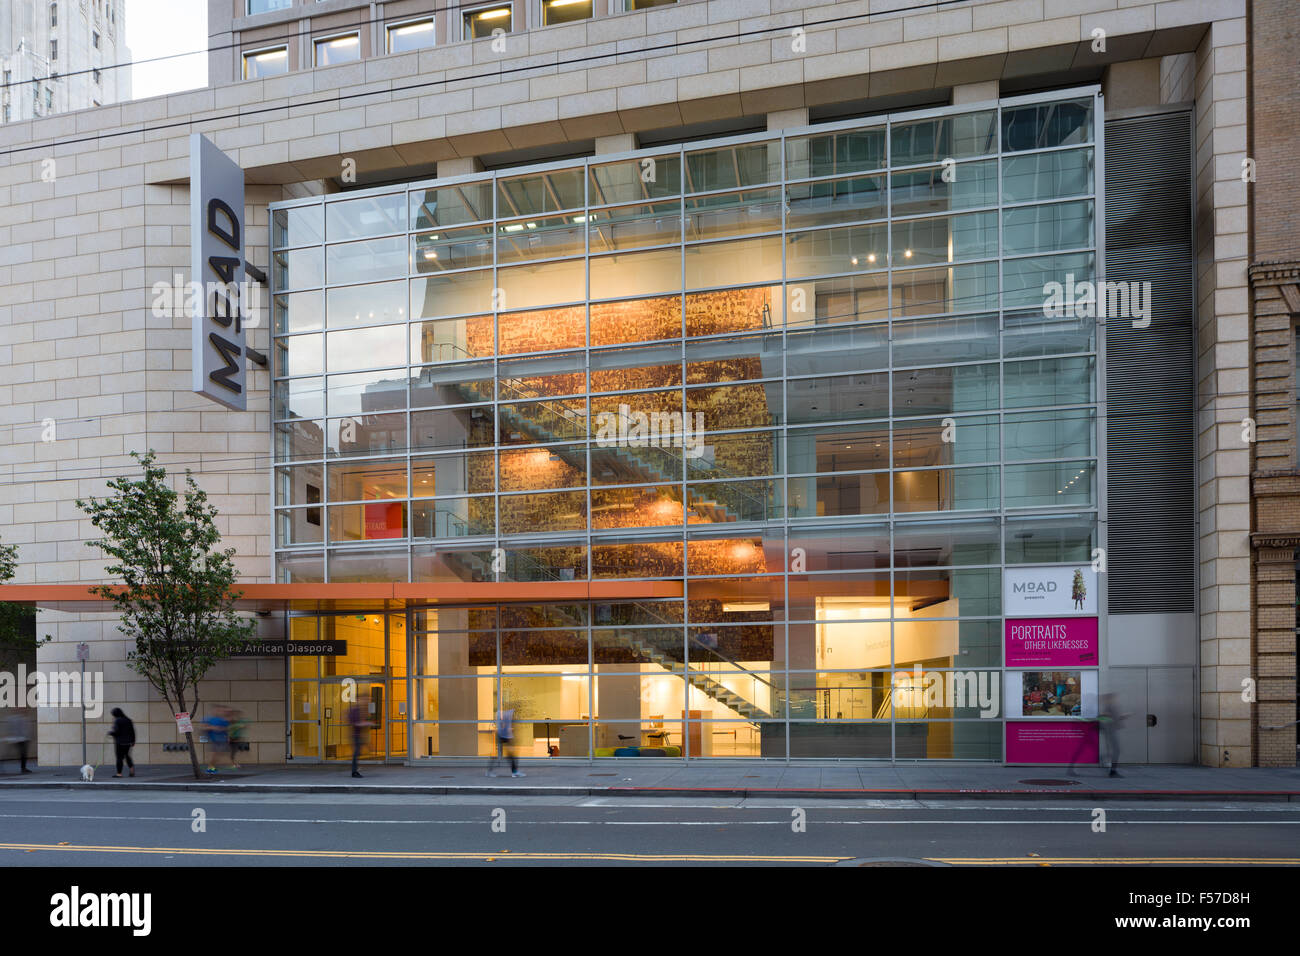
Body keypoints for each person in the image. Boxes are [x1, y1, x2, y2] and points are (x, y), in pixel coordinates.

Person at [487, 702, 523, 778]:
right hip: (503, 736)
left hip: (504, 736)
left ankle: (514, 772)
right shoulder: (508, 714)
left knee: (509, 755)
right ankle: (514, 772)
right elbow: (507, 725)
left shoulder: (504, 713)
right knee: (506, 755)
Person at [108, 707, 135, 778]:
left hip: (119, 742)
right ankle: (131, 770)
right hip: (128, 742)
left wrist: (111, 733)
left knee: (119, 758)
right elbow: (132, 731)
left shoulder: (117, 721)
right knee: (127, 755)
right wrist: (133, 741)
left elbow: (116, 732)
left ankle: (119, 774)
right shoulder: (128, 720)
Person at [347, 699, 371, 779]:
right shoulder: (355, 711)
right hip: (355, 735)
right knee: (356, 753)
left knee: (357, 753)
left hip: (358, 735)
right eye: (364, 699)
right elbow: (356, 723)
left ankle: (355, 770)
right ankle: (354, 772)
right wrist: (366, 723)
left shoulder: (360, 710)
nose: (365, 702)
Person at [4, 709, 33, 774]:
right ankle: (23, 768)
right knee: (22, 753)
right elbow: (15, 729)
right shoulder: (15, 719)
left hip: (21, 739)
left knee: (22, 754)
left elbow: (25, 729)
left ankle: (23, 768)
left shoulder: (23, 718)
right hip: (19, 739)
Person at [204, 707, 231, 774]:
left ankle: (211, 767)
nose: (220, 712)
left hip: (222, 740)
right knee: (216, 754)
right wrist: (212, 727)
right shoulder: (209, 719)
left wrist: (227, 737)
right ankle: (210, 768)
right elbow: (204, 727)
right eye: (218, 710)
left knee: (219, 754)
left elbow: (227, 729)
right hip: (214, 740)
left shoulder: (224, 720)